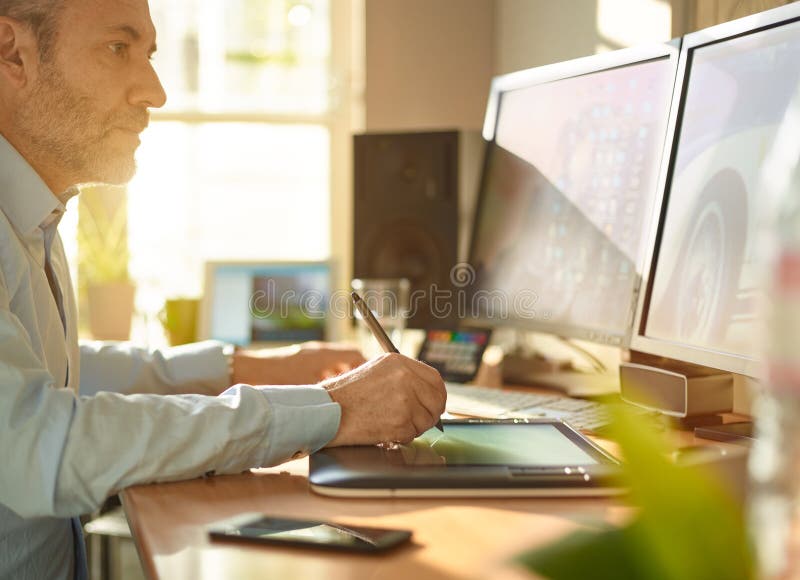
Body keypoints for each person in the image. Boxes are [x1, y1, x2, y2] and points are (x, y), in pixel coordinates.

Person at [0, 1, 447, 578]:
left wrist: (246, 367)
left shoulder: (31, 219)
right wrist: (333, 408)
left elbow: (50, 370)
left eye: (150, 54)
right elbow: (39, 443)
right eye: (119, 48)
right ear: (13, 53)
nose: (155, 92)